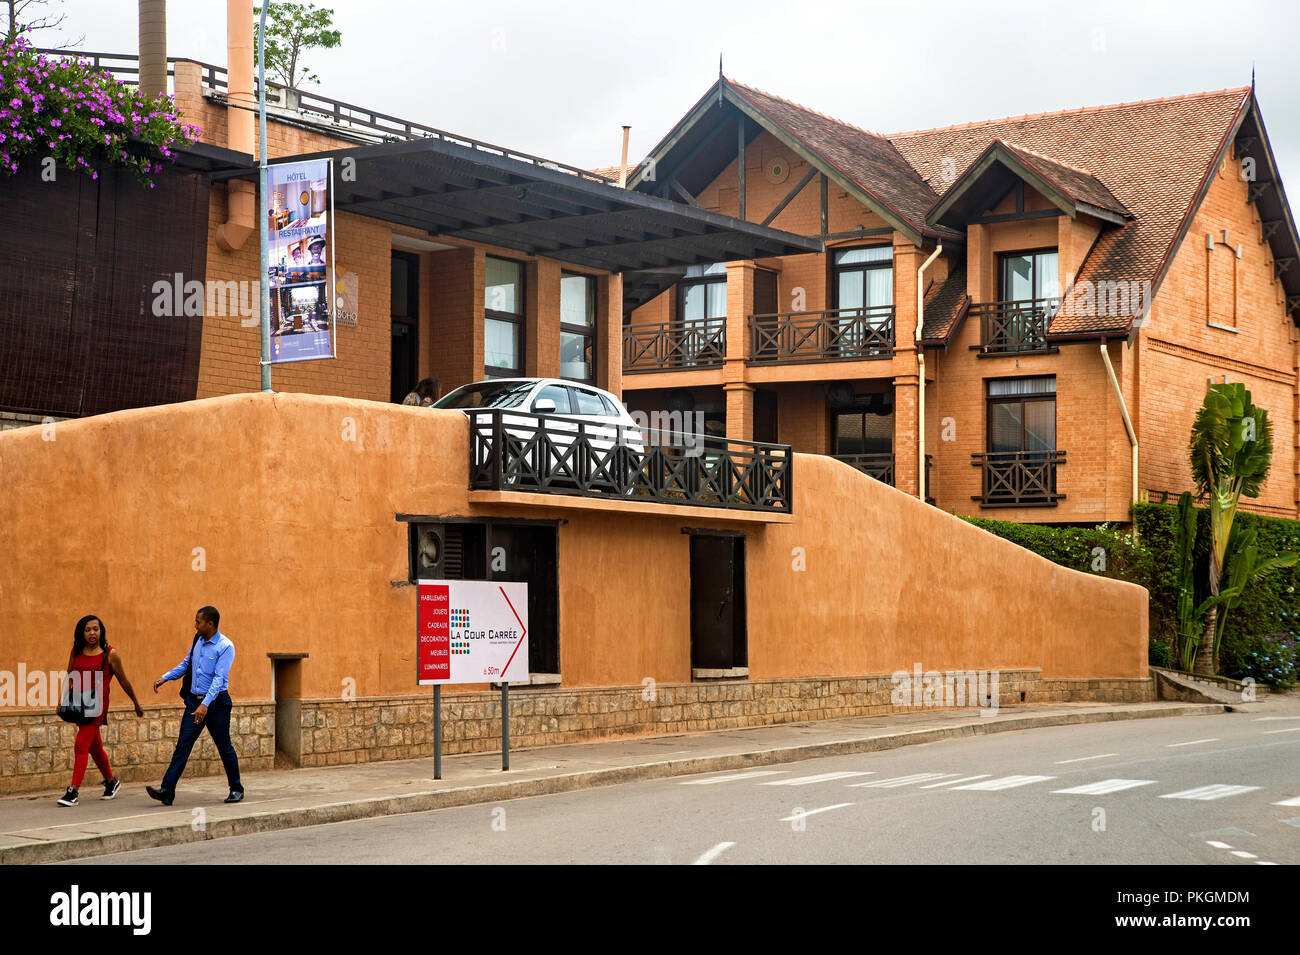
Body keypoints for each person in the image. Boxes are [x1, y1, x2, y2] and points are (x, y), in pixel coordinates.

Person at [146, 606, 244, 806]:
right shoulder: (197, 640)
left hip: (217, 704)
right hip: (194, 702)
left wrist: (205, 704)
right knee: (183, 745)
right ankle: (167, 790)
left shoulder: (225, 646)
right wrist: (165, 678)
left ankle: (236, 788)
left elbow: (219, 679)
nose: (195, 625)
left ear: (210, 623)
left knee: (224, 746)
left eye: (198, 621)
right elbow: (186, 665)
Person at [57, 615, 145, 806]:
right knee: (94, 748)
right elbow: (70, 675)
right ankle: (112, 782)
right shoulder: (77, 650)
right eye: (88, 629)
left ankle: (73, 791)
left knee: (81, 745)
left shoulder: (110, 654)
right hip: (79, 705)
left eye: (96, 629)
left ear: (101, 631)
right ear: (82, 632)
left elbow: (124, 681)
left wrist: (136, 703)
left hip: (96, 707)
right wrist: (62, 700)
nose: (92, 633)